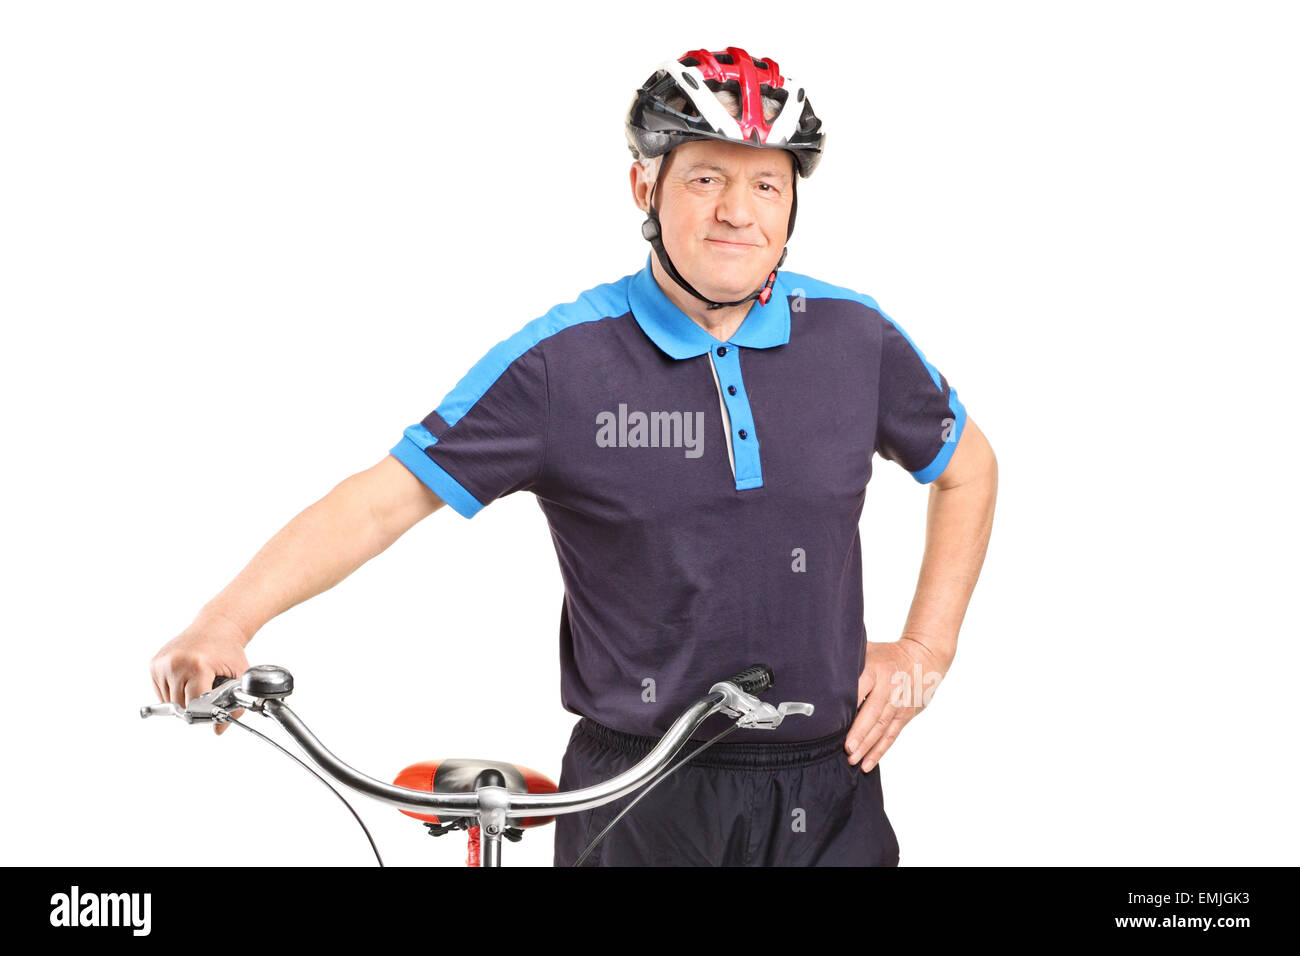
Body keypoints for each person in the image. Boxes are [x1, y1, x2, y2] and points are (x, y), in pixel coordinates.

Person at [150, 45, 998, 867]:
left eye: (766, 183)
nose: (738, 211)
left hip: (832, 787)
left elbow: (968, 467)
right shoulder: (565, 361)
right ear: (646, 185)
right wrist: (226, 621)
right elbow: (384, 498)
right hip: (637, 794)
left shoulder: (854, 335)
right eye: (706, 178)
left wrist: (925, 649)